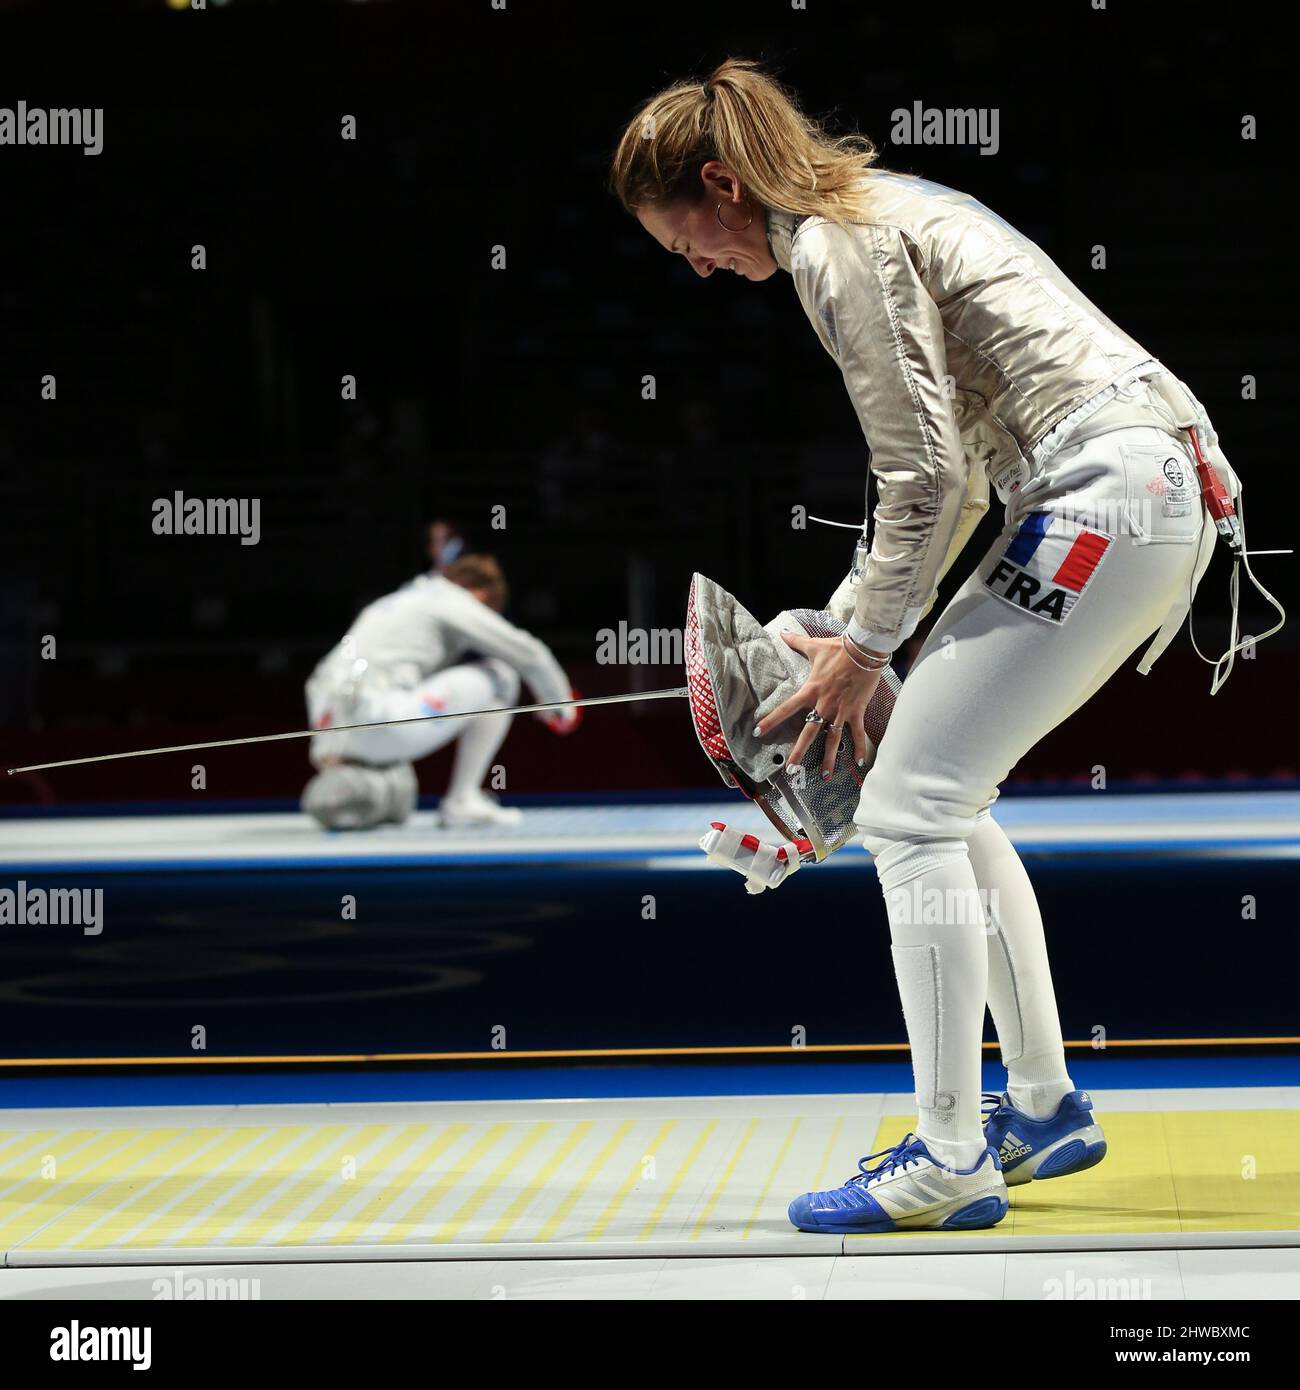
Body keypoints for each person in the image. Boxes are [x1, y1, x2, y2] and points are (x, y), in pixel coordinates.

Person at [610, 58, 1246, 1233]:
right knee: (939, 797)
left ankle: (951, 1157)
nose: (697, 267)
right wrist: (856, 623)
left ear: (721, 183)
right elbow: (945, 486)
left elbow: (925, 476)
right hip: (1131, 486)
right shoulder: (876, 207)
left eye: (686, 239)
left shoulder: (833, 244)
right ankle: (1044, 1106)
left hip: (1100, 493)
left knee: (906, 815)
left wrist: (859, 644)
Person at [302, 554, 578, 830]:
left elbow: (320, 679)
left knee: (399, 793)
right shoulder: (452, 600)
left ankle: (358, 779)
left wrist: (326, 745)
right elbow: (529, 653)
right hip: (381, 723)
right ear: (481, 595)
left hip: (328, 732)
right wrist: (561, 704)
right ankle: (462, 799)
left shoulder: (399, 600)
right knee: (500, 675)